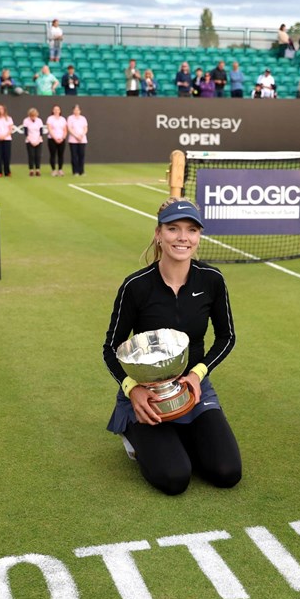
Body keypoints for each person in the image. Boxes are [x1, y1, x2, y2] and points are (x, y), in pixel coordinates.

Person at [102, 198, 242, 496]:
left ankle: (181, 432)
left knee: (226, 472)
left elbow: (226, 336)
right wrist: (133, 390)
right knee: (175, 479)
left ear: (199, 236)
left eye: (191, 230)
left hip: (194, 387)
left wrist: (197, 374)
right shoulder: (136, 286)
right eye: (173, 229)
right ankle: (132, 432)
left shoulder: (212, 279)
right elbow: (110, 348)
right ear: (158, 234)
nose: (183, 237)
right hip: (147, 394)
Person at [0, 104, 14, 177]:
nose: (0, 110)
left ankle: (7, 171)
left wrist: (4, 136)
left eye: (1, 109)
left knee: (6, 155)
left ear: (4, 109)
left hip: (7, 139)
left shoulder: (9, 118)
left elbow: (10, 129)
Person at [46, 104, 67, 176]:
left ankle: (60, 169)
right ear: (52, 111)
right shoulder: (50, 118)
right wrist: (55, 138)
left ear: (60, 111)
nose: (56, 111)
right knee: (53, 155)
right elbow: (49, 129)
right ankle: (53, 170)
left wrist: (62, 138)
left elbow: (65, 130)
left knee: (60, 155)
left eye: (58, 109)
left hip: (61, 139)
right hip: (52, 139)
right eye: (55, 109)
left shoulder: (63, 119)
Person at [22, 107, 44, 176]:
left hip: (38, 140)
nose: (33, 117)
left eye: (34, 116)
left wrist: (37, 140)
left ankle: (37, 169)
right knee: (31, 155)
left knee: (38, 155)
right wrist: (31, 140)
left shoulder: (39, 121)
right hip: (29, 141)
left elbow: (41, 132)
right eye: (31, 116)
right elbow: (26, 132)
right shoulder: (26, 121)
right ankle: (31, 170)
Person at [67, 104, 88, 176]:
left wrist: (82, 135)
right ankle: (75, 171)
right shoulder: (70, 118)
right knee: (74, 156)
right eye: (75, 110)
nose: (76, 111)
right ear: (73, 111)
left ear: (80, 111)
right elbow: (69, 128)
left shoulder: (83, 118)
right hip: (73, 140)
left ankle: (81, 171)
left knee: (81, 155)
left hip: (82, 140)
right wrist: (76, 136)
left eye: (78, 110)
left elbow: (85, 128)